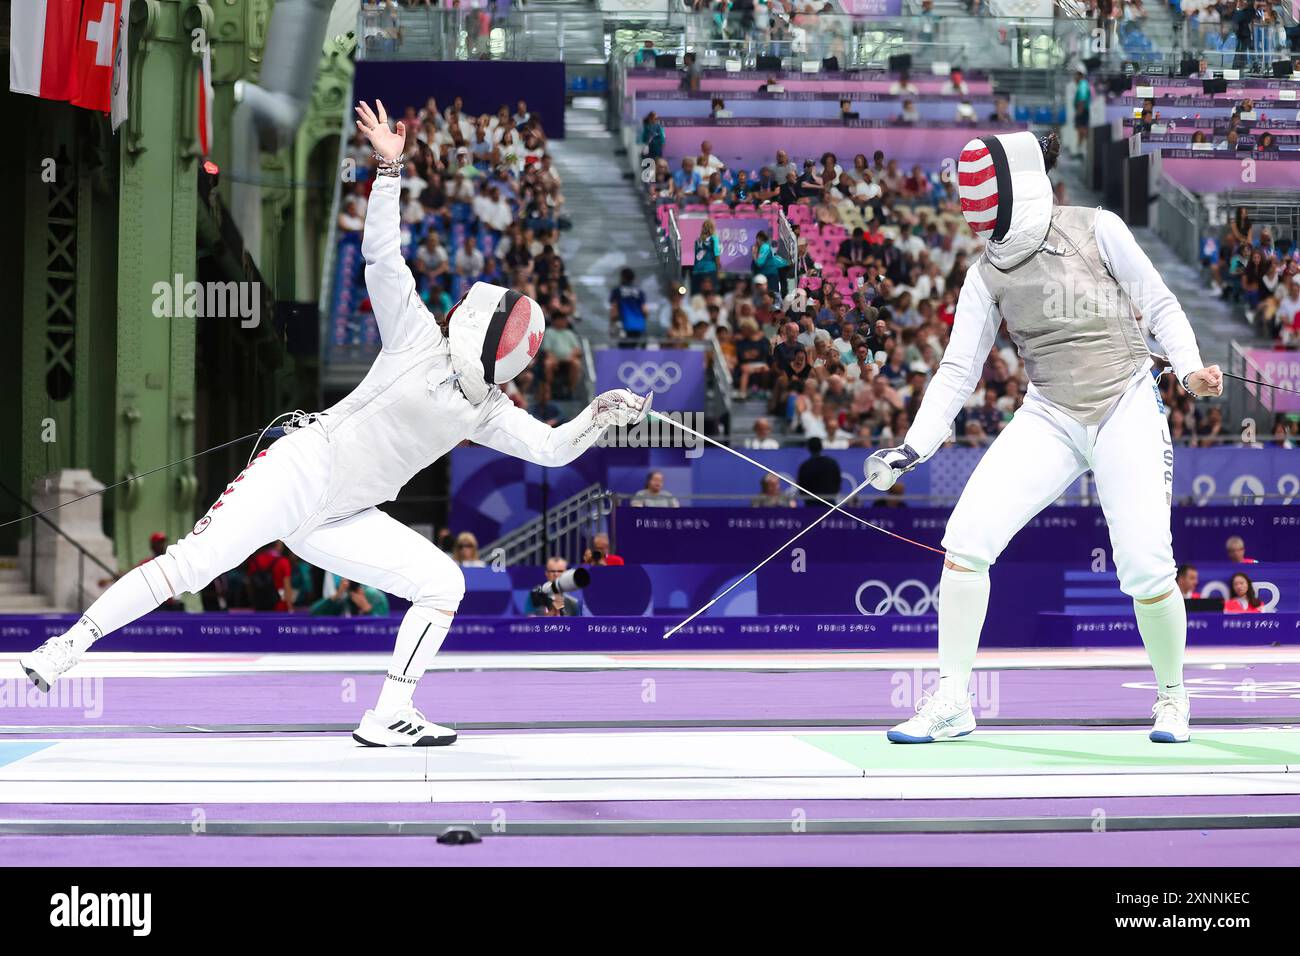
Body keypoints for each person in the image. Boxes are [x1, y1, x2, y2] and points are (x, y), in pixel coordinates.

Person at [19, 100, 651, 749]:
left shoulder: (486, 409)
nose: (456, 305)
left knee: (442, 582)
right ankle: (65, 647)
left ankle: (387, 714)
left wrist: (598, 415)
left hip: (342, 516)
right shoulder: (414, 337)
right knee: (192, 563)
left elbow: (550, 449)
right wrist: (388, 168)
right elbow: (381, 256)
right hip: (302, 467)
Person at [869, 131, 1222, 746]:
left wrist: (1188, 367)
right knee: (966, 540)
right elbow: (958, 369)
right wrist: (913, 446)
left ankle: (1172, 697)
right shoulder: (986, 273)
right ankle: (954, 699)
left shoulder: (1096, 227)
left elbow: (1159, 303)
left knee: (1145, 567)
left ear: (1014, 187)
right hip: (1050, 413)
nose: (971, 206)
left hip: (1125, 403)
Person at [311, 577, 391, 617]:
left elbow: (384, 626)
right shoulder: (345, 597)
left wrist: (367, 609)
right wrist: (337, 595)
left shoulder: (375, 596)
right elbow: (315, 612)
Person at [795, 436, 840, 506]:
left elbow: (801, 489)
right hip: (829, 503)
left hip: (812, 506)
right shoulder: (832, 463)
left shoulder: (805, 466)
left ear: (809, 448)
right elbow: (837, 483)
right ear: (821, 447)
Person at [692, 219, 721, 295]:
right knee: (711, 294)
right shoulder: (714, 239)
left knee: (697, 294)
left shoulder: (697, 240)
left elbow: (696, 258)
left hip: (697, 270)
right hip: (710, 270)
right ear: (712, 228)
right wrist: (718, 271)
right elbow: (717, 255)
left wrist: (695, 270)